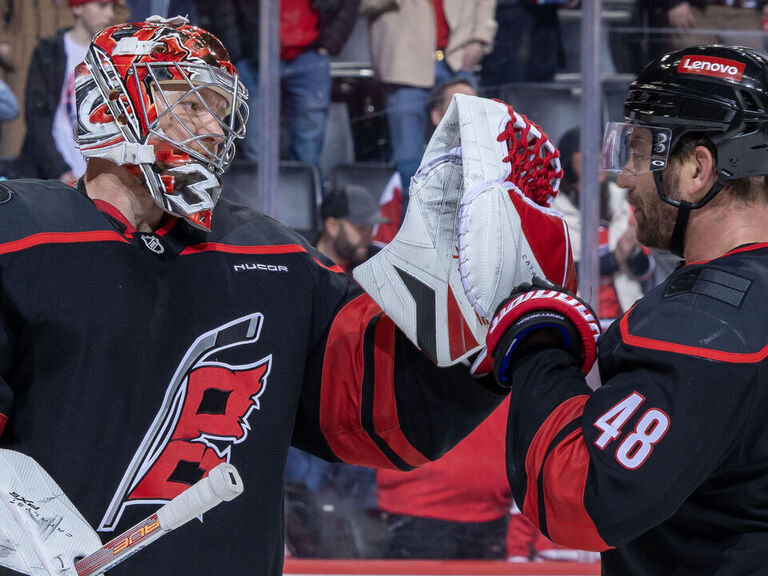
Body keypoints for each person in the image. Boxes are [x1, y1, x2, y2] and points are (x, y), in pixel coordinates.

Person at [0, 16, 508, 576]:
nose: (213, 128)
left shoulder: (275, 259)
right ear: (108, 108)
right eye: (190, 102)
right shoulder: (19, 238)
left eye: (220, 110)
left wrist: (484, 309)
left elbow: (386, 410)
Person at [484, 44, 768, 574]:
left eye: (638, 153)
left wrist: (539, 338)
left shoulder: (707, 325)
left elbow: (577, 496)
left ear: (698, 169)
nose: (624, 178)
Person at [360, 0, 497, 218]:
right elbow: (365, 5)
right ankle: (411, 235)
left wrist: (481, 37)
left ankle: (464, 234)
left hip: (457, 60)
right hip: (404, 63)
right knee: (409, 168)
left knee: (471, 163)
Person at [195, 0, 360, 169]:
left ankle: (304, 186)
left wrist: (331, 42)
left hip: (309, 54)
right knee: (254, 145)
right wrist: (236, 52)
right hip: (254, 56)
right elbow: (224, 7)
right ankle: (253, 188)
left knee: (308, 149)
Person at [552, 126, 653, 321]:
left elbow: (645, 271)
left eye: (601, 151)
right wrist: (615, 258)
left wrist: (633, 252)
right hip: (579, 319)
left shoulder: (621, 202)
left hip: (625, 316)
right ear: (570, 161)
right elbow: (558, 275)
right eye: (588, 152)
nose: (598, 158)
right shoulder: (554, 212)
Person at [13, 0, 119, 181]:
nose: (110, 14)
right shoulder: (49, 52)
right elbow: (37, 118)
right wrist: (59, 170)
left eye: (112, 7)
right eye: (102, 6)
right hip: (52, 173)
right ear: (77, 7)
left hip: (96, 174)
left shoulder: (112, 55)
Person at [315, 184, 387, 273]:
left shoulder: (379, 263)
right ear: (332, 226)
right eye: (361, 228)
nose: (369, 238)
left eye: (371, 228)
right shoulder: (302, 262)